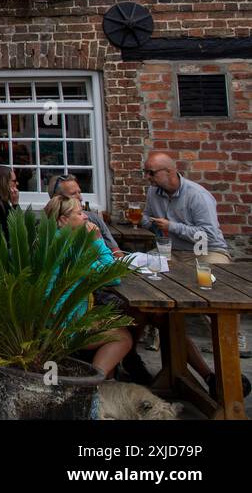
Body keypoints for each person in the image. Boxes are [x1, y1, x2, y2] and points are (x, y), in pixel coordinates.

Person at [140, 151, 249, 397]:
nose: (147, 177)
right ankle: (161, 333)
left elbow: (209, 235)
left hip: (206, 251)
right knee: (147, 276)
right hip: (173, 250)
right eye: (145, 172)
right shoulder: (152, 193)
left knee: (212, 288)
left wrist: (172, 227)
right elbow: (147, 218)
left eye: (151, 173)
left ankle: (229, 336)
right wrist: (149, 224)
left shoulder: (197, 195)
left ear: (169, 172)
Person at [42, 195, 133, 378]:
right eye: (79, 212)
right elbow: (112, 276)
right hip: (62, 327)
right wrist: (98, 240)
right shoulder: (70, 248)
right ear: (63, 220)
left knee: (118, 316)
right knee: (123, 337)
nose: (85, 217)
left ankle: (106, 382)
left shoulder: (53, 239)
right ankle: (91, 387)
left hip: (51, 320)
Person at [46, 173, 120, 253]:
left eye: (79, 192)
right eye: (73, 194)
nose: (81, 198)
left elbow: (116, 252)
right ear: (58, 198)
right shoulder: (47, 230)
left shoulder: (92, 218)